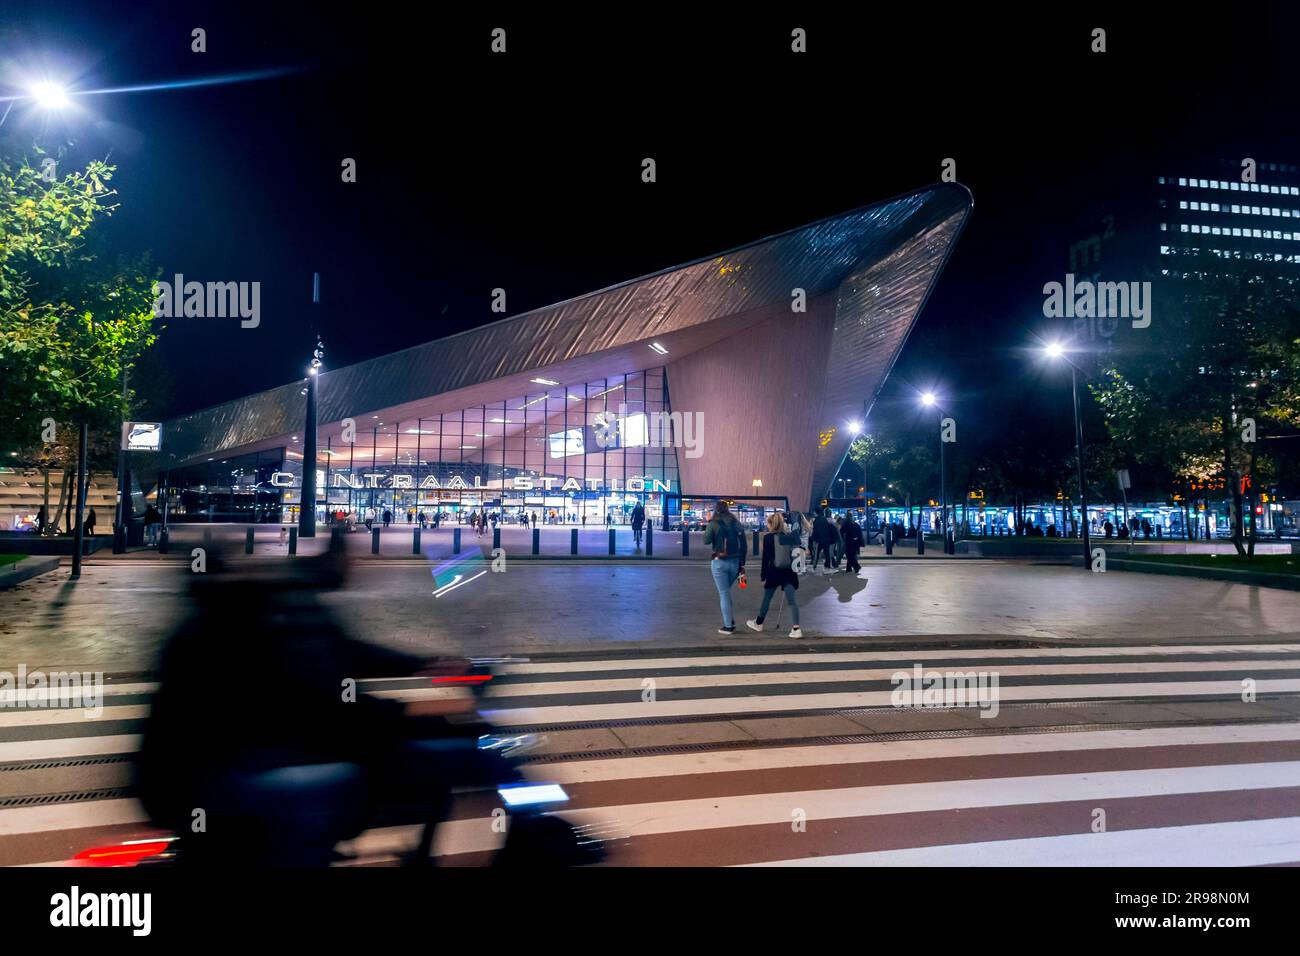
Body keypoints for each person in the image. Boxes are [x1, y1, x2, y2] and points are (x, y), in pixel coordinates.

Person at [746, 514, 803, 639]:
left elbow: (765, 559)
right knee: (792, 601)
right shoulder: (788, 537)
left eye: (768, 523)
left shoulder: (768, 538)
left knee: (767, 598)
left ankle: (759, 623)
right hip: (789, 573)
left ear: (771, 524)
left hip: (773, 572)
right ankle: (796, 628)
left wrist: (763, 577)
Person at [703, 501, 747, 635]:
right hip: (735, 562)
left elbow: (706, 540)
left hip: (719, 562)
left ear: (716, 510)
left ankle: (728, 626)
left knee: (724, 593)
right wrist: (742, 563)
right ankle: (730, 620)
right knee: (725, 592)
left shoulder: (714, 523)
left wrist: (708, 522)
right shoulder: (736, 522)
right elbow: (744, 544)